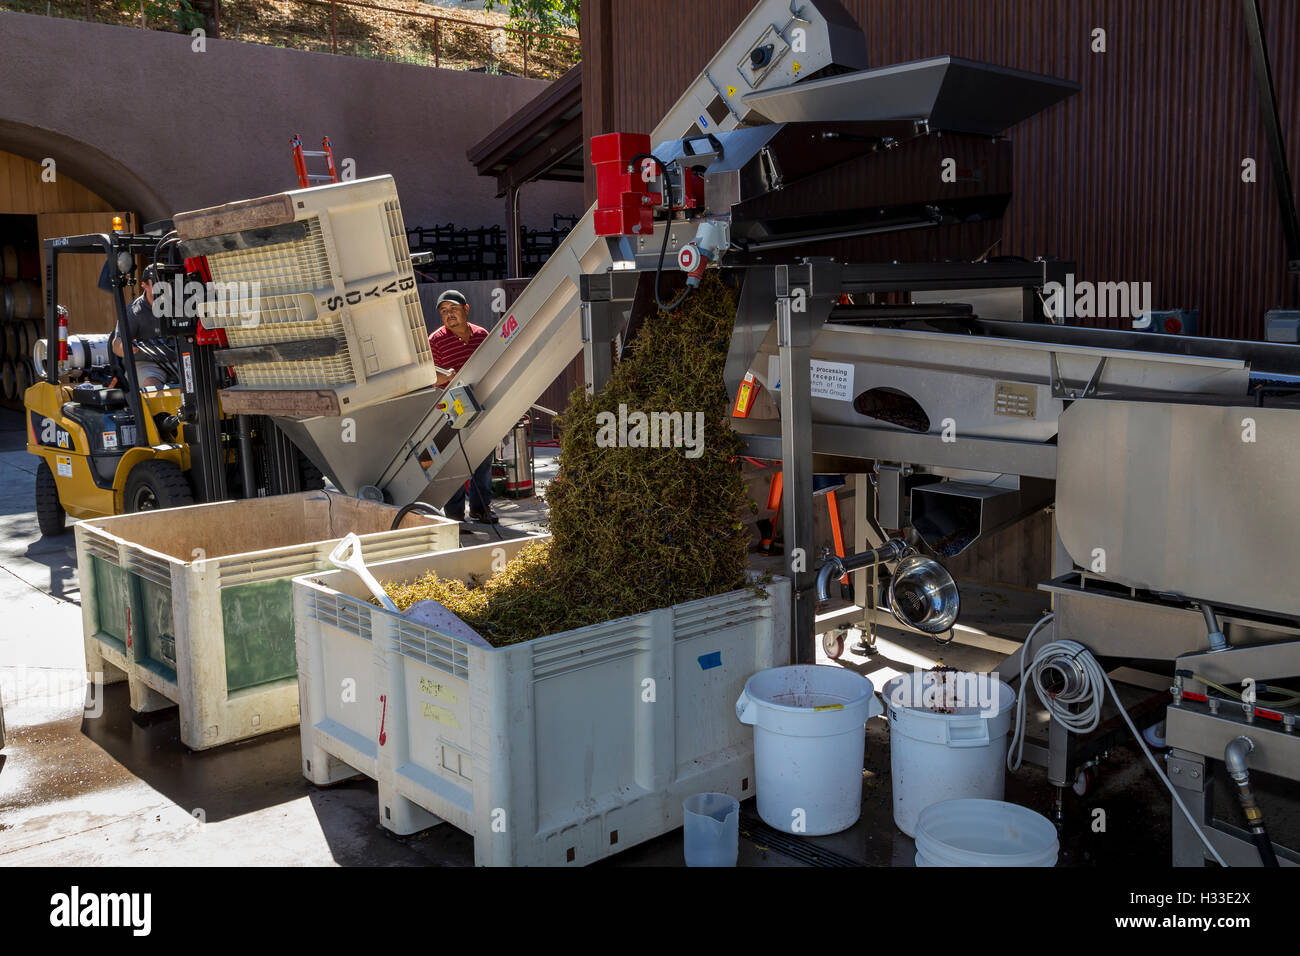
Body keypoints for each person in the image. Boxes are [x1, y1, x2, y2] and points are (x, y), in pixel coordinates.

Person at [429, 289, 498, 524]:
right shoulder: (435, 340)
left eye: (453, 310)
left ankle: (480, 509)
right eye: (444, 312)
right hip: (451, 408)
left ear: (466, 310)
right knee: (452, 461)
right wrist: (448, 377)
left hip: (481, 401)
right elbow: (429, 379)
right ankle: (455, 515)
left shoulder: (481, 335)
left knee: (483, 458)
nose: (449, 315)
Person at [110, 265, 168, 388]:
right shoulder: (134, 311)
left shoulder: (180, 305)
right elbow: (116, 344)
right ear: (144, 285)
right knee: (151, 384)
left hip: (176, 360)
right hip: (146, 364)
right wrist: (125, 347)